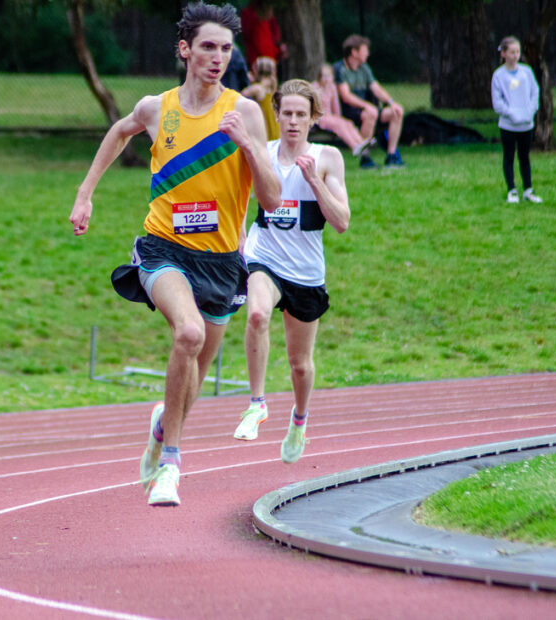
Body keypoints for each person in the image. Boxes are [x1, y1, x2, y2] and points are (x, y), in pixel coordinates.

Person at [68, 2, 282, 507]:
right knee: (187, 334)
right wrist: (85, 193)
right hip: (164, 248)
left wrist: (249, 147)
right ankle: (171, 465)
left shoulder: (248, 111)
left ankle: (163, 427)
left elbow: (272, 199)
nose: (218, 57)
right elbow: (120, 131)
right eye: (208, 46)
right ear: (185, 50)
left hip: (224, 262)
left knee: (194, 380)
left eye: (227, 49)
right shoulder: (155, 107)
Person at [232, 79, 349, 466]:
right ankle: (257, 404)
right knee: (256, 313)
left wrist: (314, 180)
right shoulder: (261, 152)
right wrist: (237, 240)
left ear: (314, 118)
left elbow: (342, 222)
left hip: (305, 271)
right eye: (287, 114)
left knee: (300, 364)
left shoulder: (328, 156)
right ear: (276, 115)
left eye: (302, 114)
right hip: (264, 257)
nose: (294, 122)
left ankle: (299, 420)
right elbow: (237, 198)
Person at [333, 34, 405, 169]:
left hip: (368, 108)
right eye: (365, 50)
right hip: (349, 110)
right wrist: (367, 106)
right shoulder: (340, 68)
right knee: (370, 114)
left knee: (396, 112)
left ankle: (391, 156)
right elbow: (346, 96)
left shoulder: (364, 68)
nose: (368, 54)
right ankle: (365, 158)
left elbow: (376, 88)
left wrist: (391, 102)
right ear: (354, 52)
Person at [491, 36, 542, 204]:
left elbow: (535, 92)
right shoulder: (498, 76)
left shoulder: (526, 72)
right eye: (512, 52)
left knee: (525, 156)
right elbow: (498, 103)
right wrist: (512, 114)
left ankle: (528, 189)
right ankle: (511, 189)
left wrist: (530, 111)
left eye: (517, 52)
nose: (515, 55)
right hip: (508, 125)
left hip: (526, 124)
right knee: (509, 157)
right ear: (504, 53)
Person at [311, 63, 374, 158]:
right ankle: (354, 147)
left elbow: (336, 108)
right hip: (319, 118)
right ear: (320, 76)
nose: (326, 79)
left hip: (330, 116)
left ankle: (362, 143)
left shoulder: (332, 87)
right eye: (324, 76)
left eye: (329, 76)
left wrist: (339, 118)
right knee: (338, 125)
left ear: (332, 77)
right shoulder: (314, 87)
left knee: (348, 123)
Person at [239, 0, 288, 69]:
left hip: (265, 59)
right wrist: (278, 51)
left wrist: (279, 49)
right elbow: (261, 45)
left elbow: (276, 37)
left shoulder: (268, 18)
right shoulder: (251, 16)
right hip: (259, 62)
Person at [242, 55, 280, 140]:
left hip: (265, 122)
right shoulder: (272, 84)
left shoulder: (258, 88)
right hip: (273, 122)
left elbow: (242, 94)